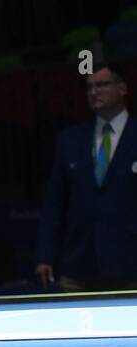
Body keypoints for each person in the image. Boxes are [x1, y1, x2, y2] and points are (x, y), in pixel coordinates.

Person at [36, 64, 135, 288]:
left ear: (122, 88)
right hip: (79, 263)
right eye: (89, 86)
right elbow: (55, 203)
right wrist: (45, 254)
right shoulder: (70, 140)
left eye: (102, 85)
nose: (94, 91)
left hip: (130, 262)